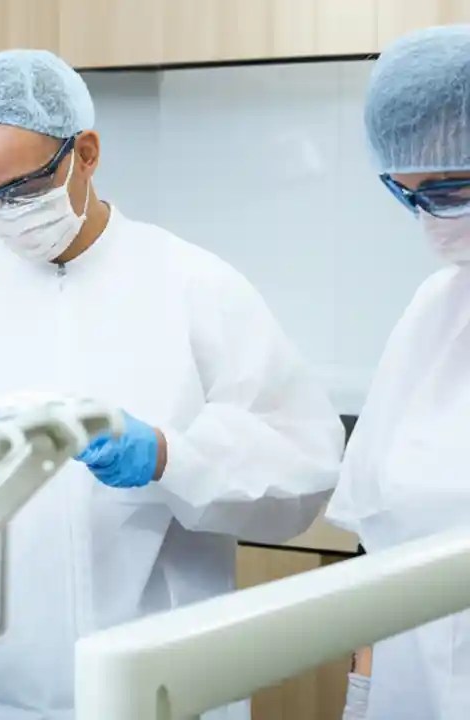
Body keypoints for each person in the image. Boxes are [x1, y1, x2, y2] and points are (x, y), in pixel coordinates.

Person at [0, 49, 345, 719]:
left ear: (87, 153)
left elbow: (303, 468)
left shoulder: (193, 286)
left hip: (164, 691)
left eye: (25, 186)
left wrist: (170, 456)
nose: (8, 210)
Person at [326, 25, 470, 720]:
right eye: (409, 195)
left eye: (448, 188)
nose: (430, 219)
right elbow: (375, 541)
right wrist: (362, 695)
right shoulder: (432, 312)